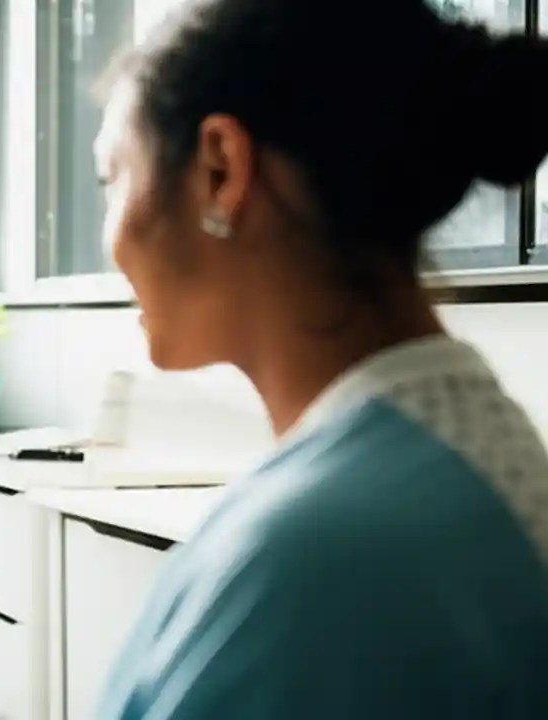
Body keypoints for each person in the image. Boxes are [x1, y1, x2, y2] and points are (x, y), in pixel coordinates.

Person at [90, 1, 548, 717]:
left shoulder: (322, 555)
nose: (110, 235)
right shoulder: (464, 459)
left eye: (111, 180)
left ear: (220, 170)